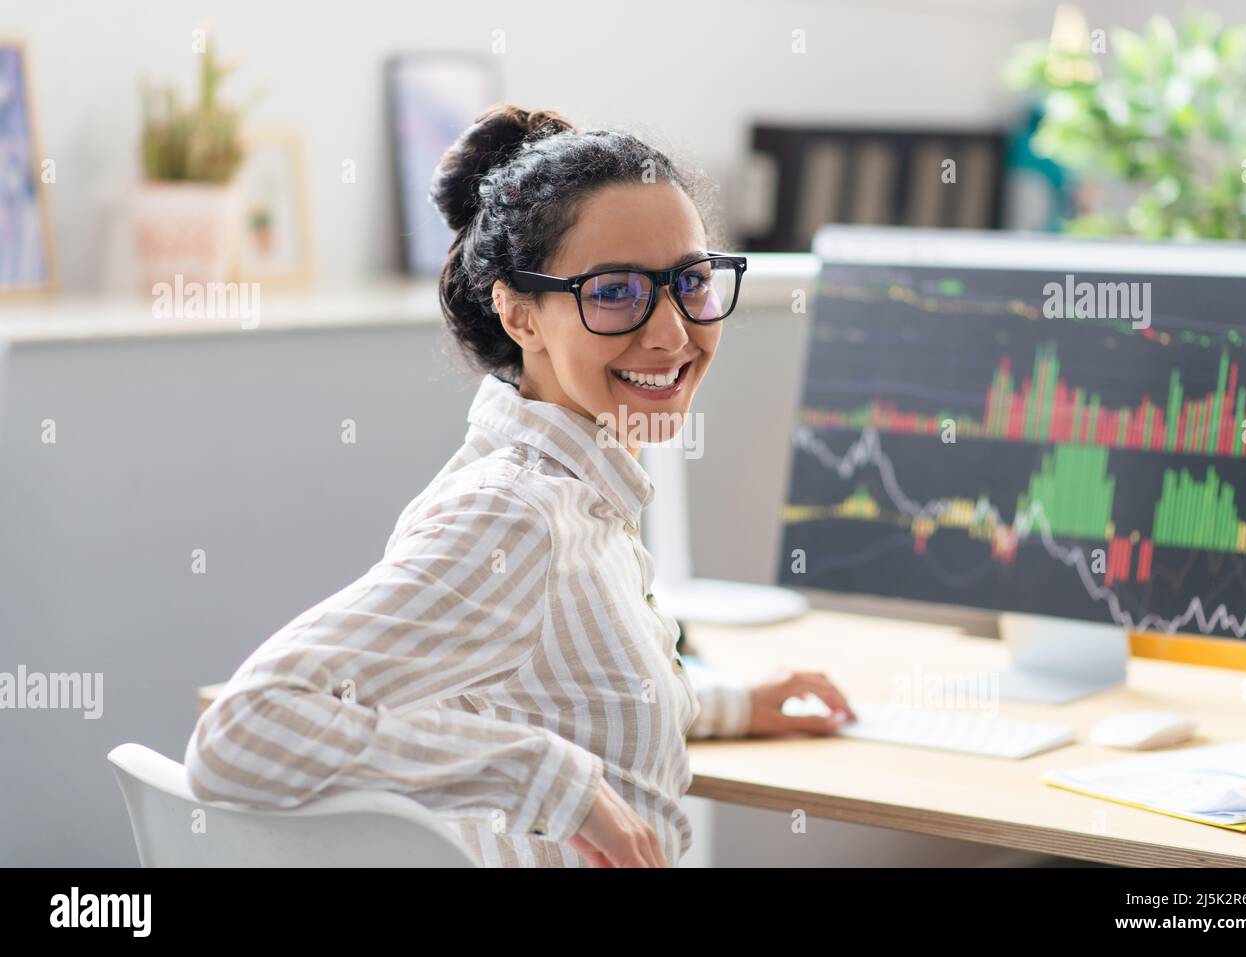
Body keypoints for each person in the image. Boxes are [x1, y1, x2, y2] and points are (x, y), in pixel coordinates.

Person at [184, 104, 856, 867]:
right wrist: (545, 779)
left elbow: (561, 690)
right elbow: (245, 729)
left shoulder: (576, 485)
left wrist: (731, 703)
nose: (672, 332)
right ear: (518, 313)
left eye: (691, 281)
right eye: (614, 292)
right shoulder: (513, 515)